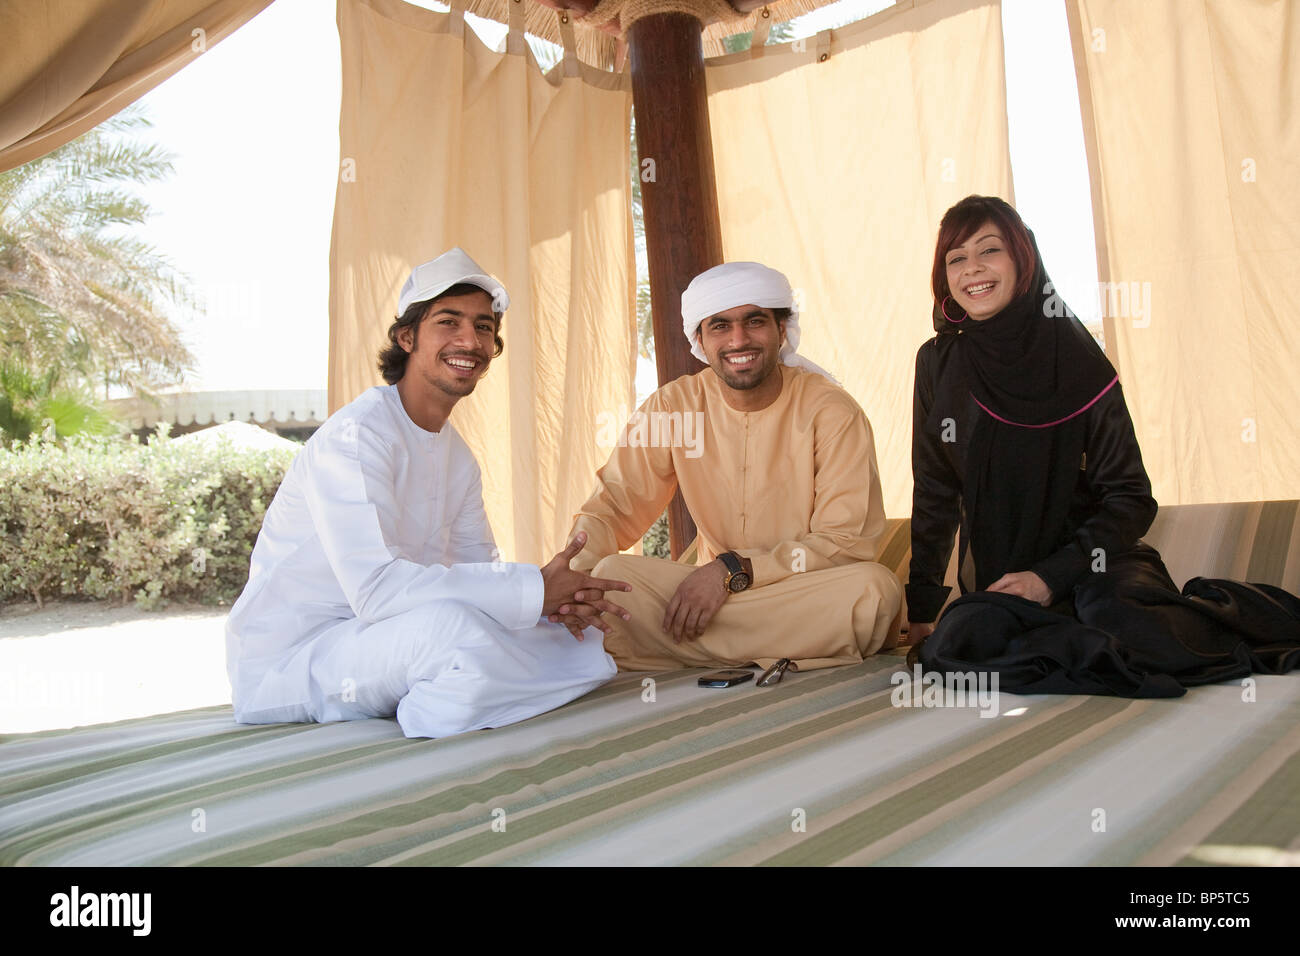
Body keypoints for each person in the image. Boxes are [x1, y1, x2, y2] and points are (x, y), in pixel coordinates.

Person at [225, 247, 630, 737]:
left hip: (388, 635)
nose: (470, 340)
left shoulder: (458, 457)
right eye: (449, 321)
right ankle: (432, 709)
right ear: (407, 337)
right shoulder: (356, 436)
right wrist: (534, 590)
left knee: (580, 645)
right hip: (301, 656)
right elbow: (376, 592)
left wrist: (551, 605)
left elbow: (477, 570)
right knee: (452, 634)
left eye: (483, 326)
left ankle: (455, 692)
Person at [905, 195, 1300, 696]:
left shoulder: (1075, 359)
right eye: (956, 258)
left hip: (1096, 567)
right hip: (1005, 582)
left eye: (990, 251)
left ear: (1023, 258)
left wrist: (1050, 576)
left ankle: (1222, 611)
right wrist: (922, 608)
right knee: (954, 648)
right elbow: (935, 489)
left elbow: (1131, 497)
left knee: (1126, 627)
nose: (972, 270)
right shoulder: (938, 363)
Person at [555, 261, 903, 673]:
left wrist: (733, 570)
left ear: (781, 330)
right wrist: (571, 578)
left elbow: (844, 544)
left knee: (874, 591)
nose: (739, 339)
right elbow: (613, 505)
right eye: (720, 325)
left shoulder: (829, 410)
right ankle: (776, 650)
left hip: (794, 593)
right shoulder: (674, 407)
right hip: (705, 601)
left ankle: (675, 650)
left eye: (754, 321)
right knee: (611, 573)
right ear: (700, 339)